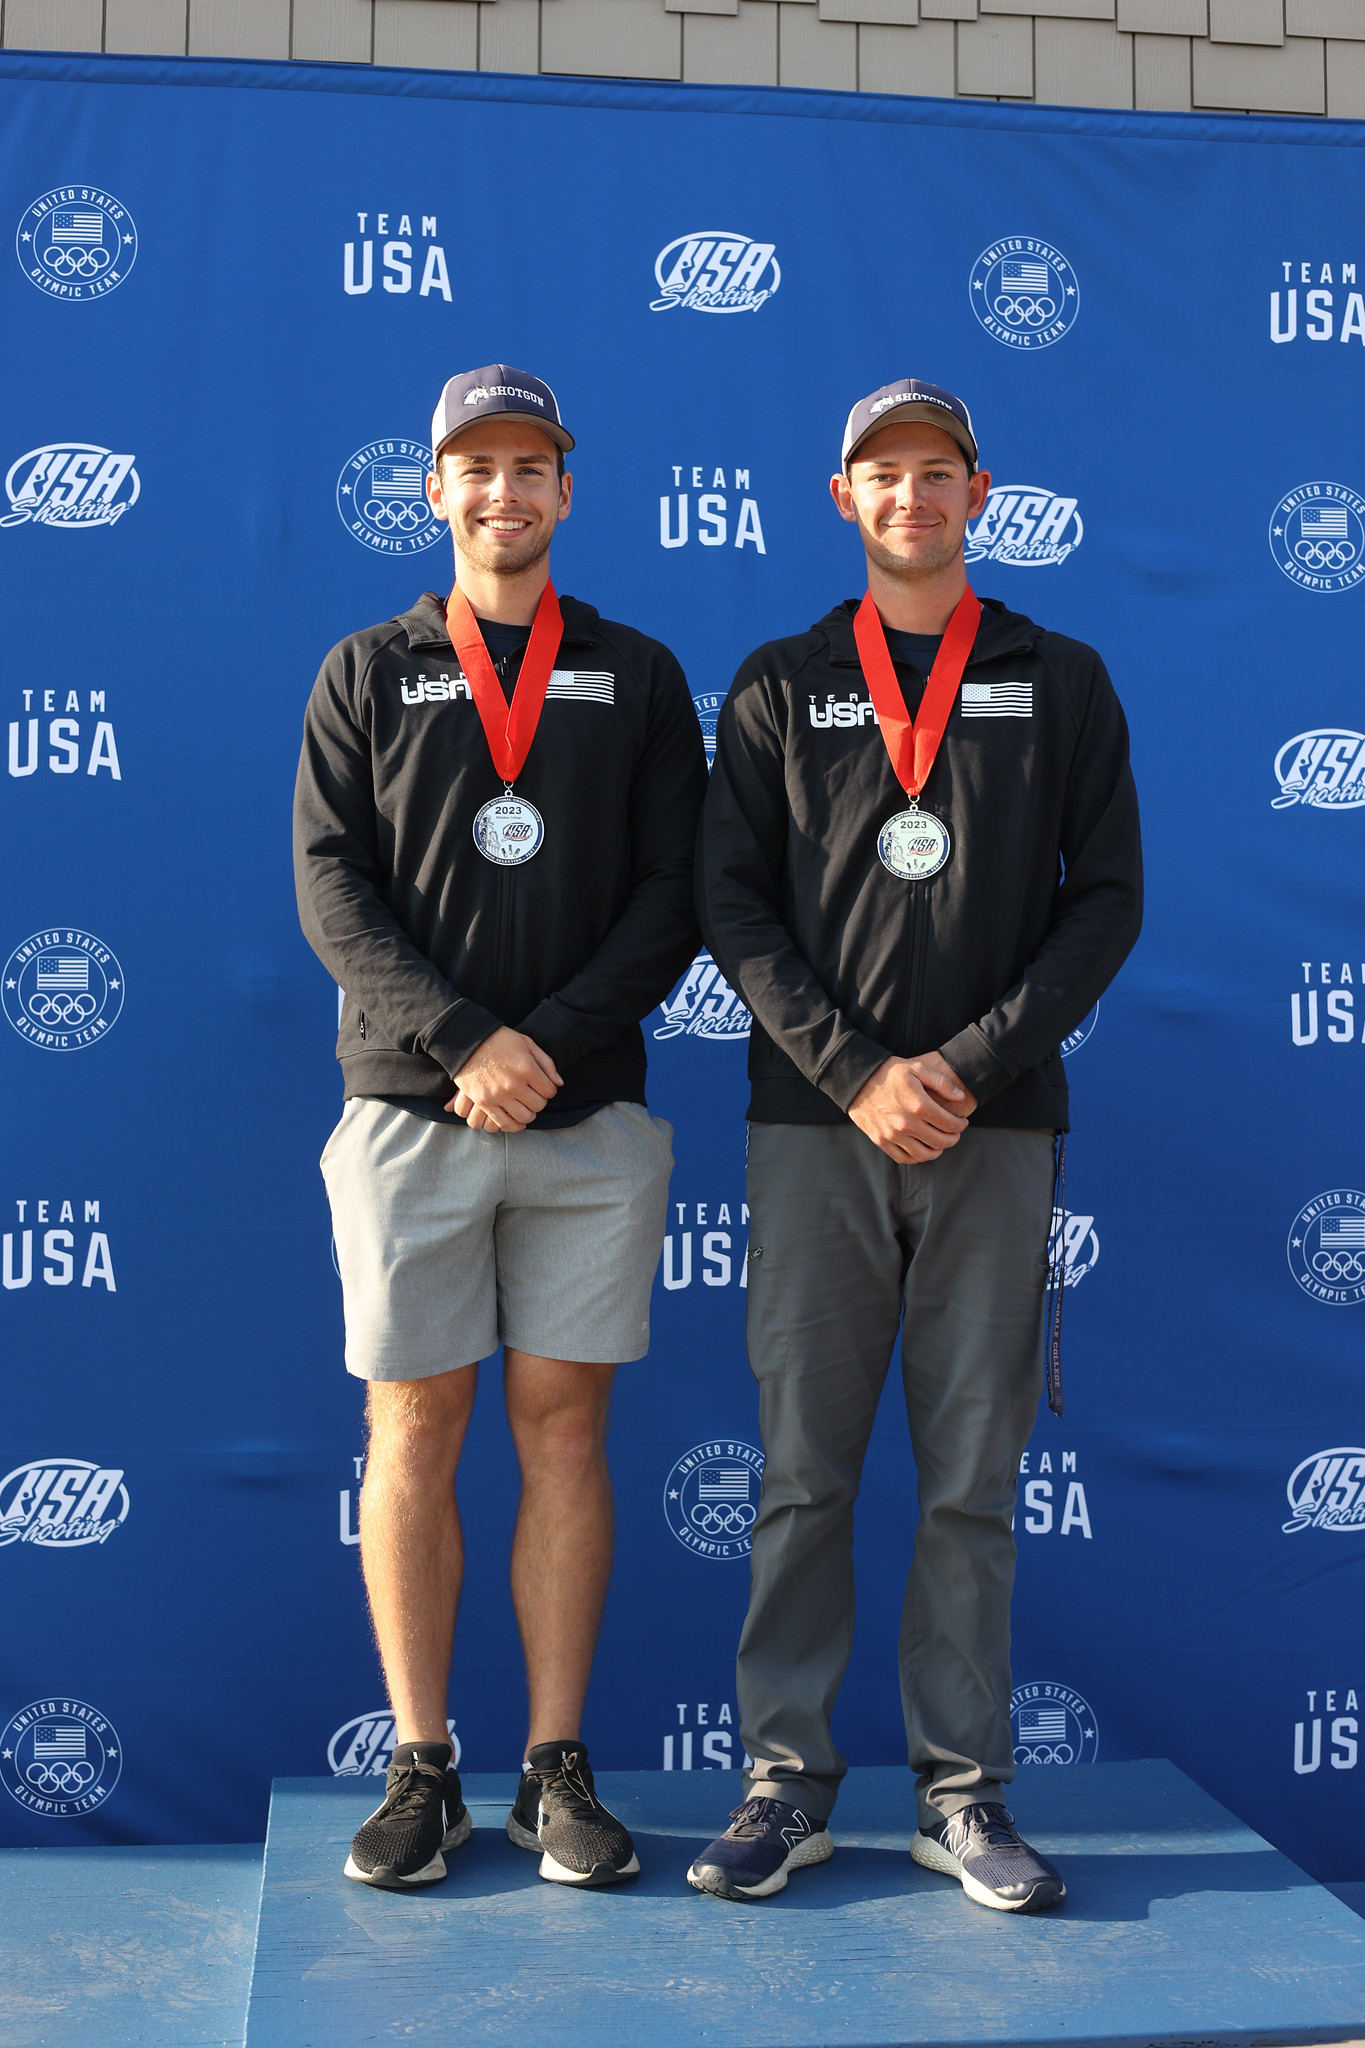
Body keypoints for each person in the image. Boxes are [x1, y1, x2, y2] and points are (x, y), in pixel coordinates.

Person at [689, 378, 1142, 1913]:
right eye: (879, 474)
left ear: (978, 494)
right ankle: (784, 1786)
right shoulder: (778, 682)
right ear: (841, 501)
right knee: (803, 1474)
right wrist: (853, 1072)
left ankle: (963, 1796)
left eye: (934, 472)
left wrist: (953, 1064)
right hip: (812, 1131)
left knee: (968, 1483)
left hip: (993, 1128)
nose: (909, 497)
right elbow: (731, 908)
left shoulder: (1054, 676)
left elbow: (1107, 901)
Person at [294, 365, 707, 1893]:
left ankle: (551, 1767)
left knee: (566, 1429)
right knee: (412, 1428)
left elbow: (677, 892)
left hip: (586, 1116)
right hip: (412, 1109)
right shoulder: (367, 667)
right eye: (475, 467)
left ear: (566, 492)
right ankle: (422, 1766)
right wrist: (469, 1040)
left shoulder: (637, 673)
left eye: (530, 466)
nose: (503, 492)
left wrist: (549, 1048)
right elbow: (332, 888)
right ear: (434, 490)